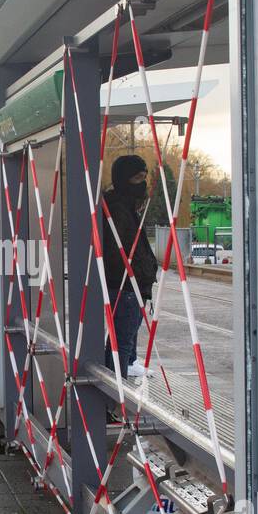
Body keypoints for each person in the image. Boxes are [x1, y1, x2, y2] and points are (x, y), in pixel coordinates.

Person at [102, 154, 158, 379]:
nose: (142, 184)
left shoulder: (125, 206)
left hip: (132, 285)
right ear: (124, 180)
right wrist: (138, 272)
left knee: (124, 338)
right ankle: (115, 392)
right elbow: (119, 252)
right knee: (120, 343)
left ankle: (122, 377)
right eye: (137, 179)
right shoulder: (118, 210)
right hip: (126, 286)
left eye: (144, 178)